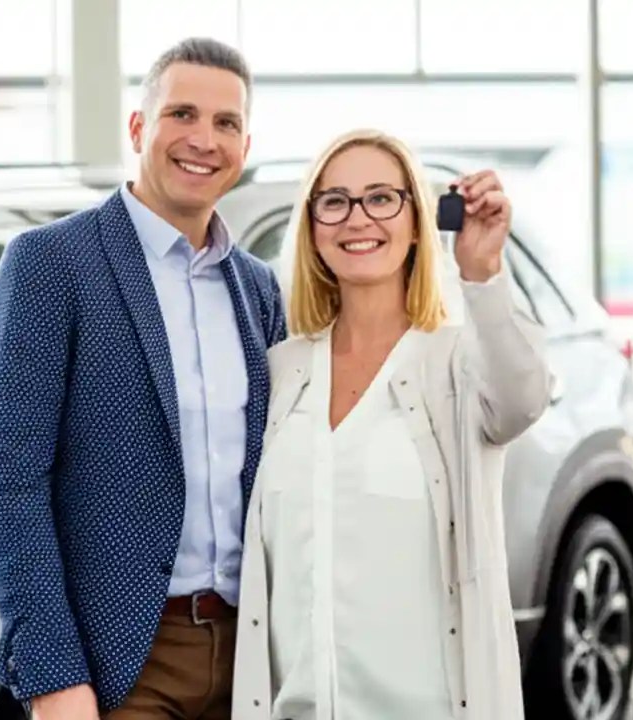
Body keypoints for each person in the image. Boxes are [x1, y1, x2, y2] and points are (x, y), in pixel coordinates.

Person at [0, 37, 286, 720]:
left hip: (250, 655)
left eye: (226, 123)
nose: (204, 139)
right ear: (140, 127)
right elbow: (9, 485)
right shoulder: (50, 265)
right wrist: (53, 676)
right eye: (183, 115)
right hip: (119, 664)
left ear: (245, 143)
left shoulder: (259, 290)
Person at [231, 129, 552, 720]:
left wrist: (482, 273)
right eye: (335, 201)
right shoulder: (281, 372)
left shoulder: (456, 365)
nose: (358, 219)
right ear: (312, 225)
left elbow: (521, 402)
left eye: (382, 198)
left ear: (415, 219)